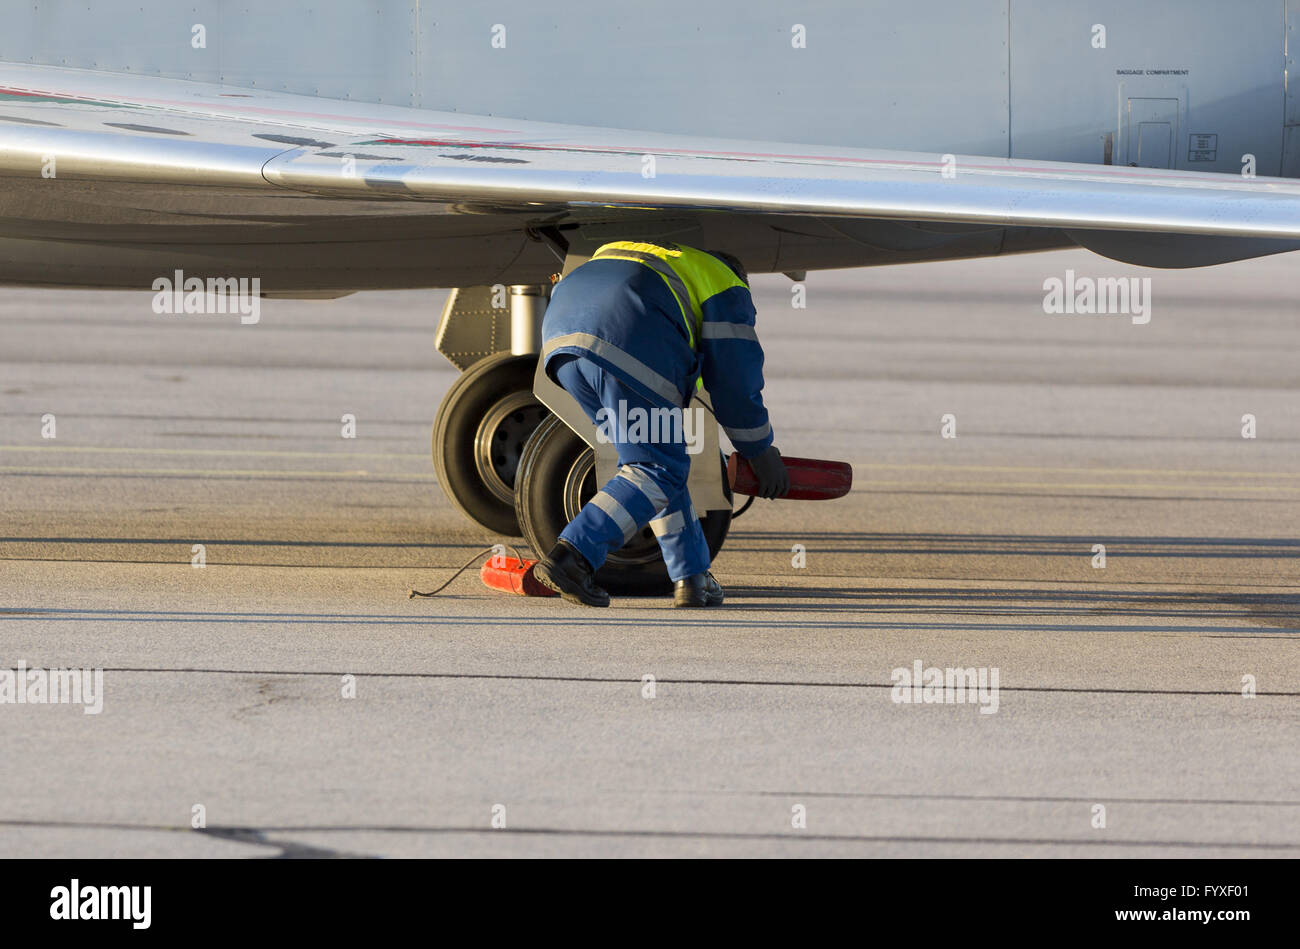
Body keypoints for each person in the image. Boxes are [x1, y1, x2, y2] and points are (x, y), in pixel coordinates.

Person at [532, 240, 788, 608]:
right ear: (740, 278)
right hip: (625, 339)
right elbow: (735, 383)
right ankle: (573, 557)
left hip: (562, 346)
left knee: (655, 464)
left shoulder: (665, 260)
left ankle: (691, 577)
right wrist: (760, 451)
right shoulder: (725, 284)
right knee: (656, 468)